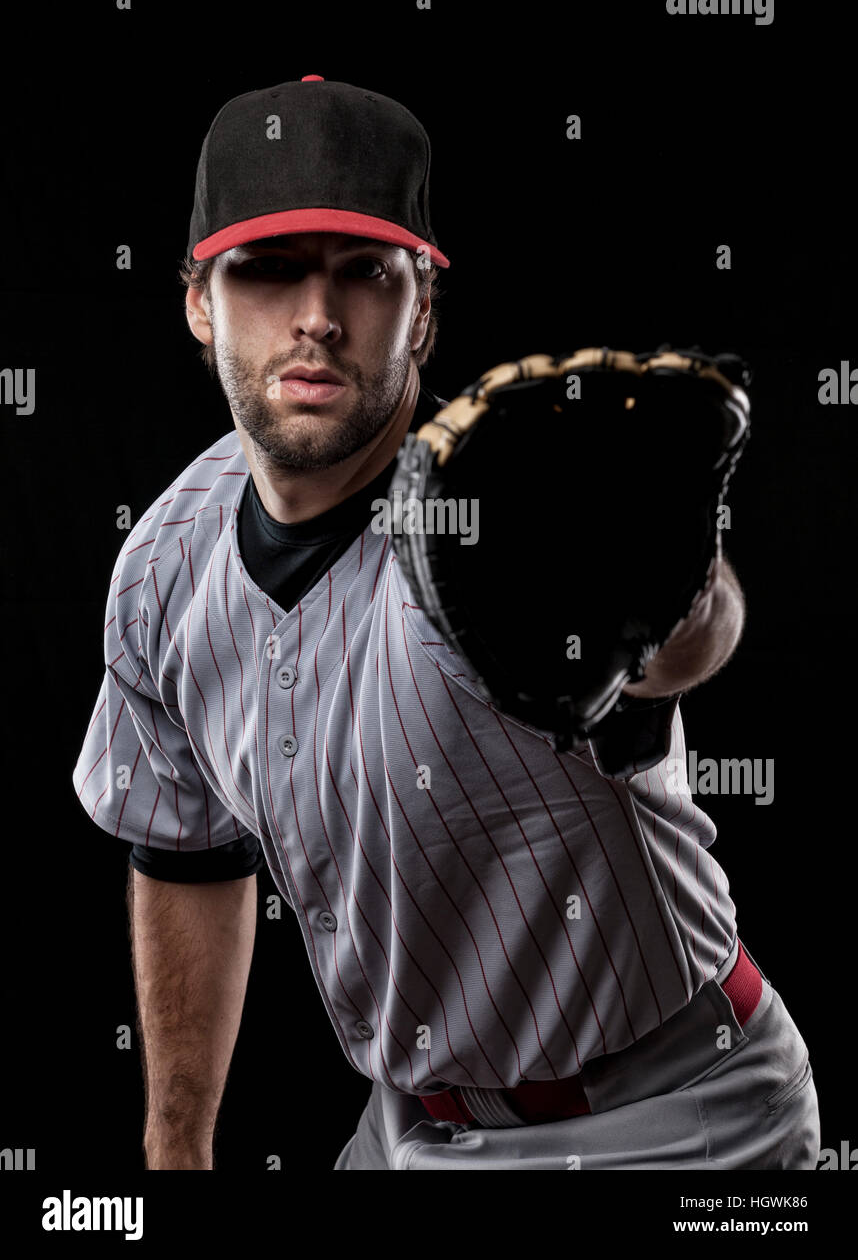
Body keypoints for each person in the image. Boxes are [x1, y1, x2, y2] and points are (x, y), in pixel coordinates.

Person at [73, 74, 820, 1171]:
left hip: (666, 1123)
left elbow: (675, 648)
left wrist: (685, 590)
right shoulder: (164, 563)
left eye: (364, 274)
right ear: (199, 301)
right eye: (269, 270)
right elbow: (187, 854)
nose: (316, 315)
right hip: (410, 1125)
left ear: (421, 305)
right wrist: (176, 1154)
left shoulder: (507, 526)